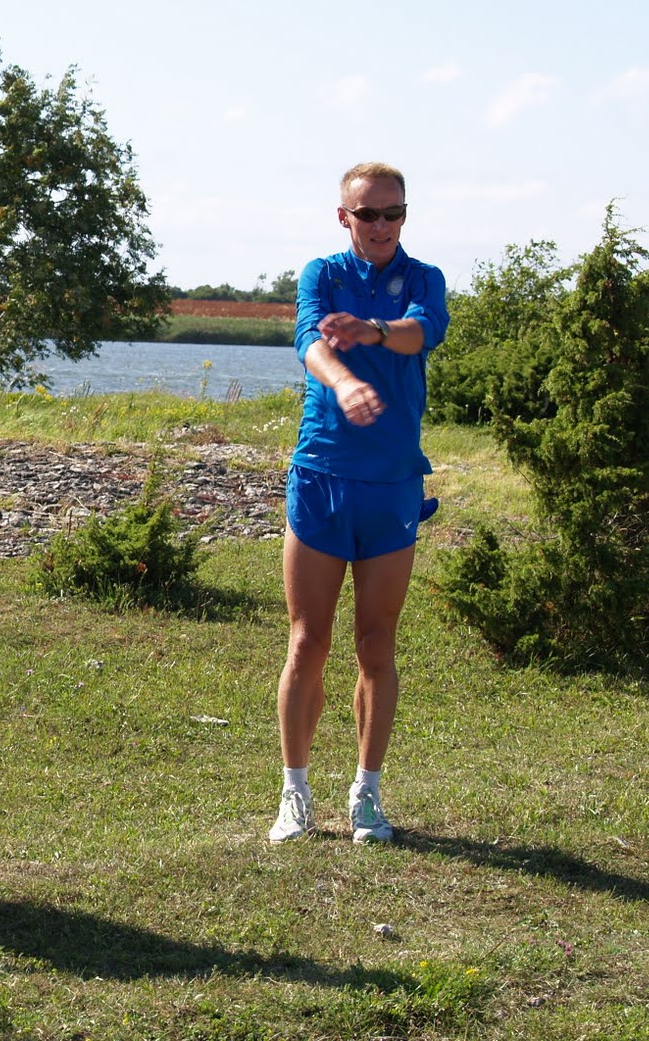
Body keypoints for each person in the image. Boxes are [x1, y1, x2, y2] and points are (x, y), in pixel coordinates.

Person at [268, 162, 448, 846]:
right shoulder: (320, 272)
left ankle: (367, 795)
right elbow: (309, 343)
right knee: (308, 641)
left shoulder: (424, 278)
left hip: (393, 484)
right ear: (343, 217)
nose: (380, 226)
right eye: (367, 214)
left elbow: (419, 333)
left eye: (393, 213)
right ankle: (295, 792)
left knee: (377, 643)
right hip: (321, 475)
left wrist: (372, 331)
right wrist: (344, 384)